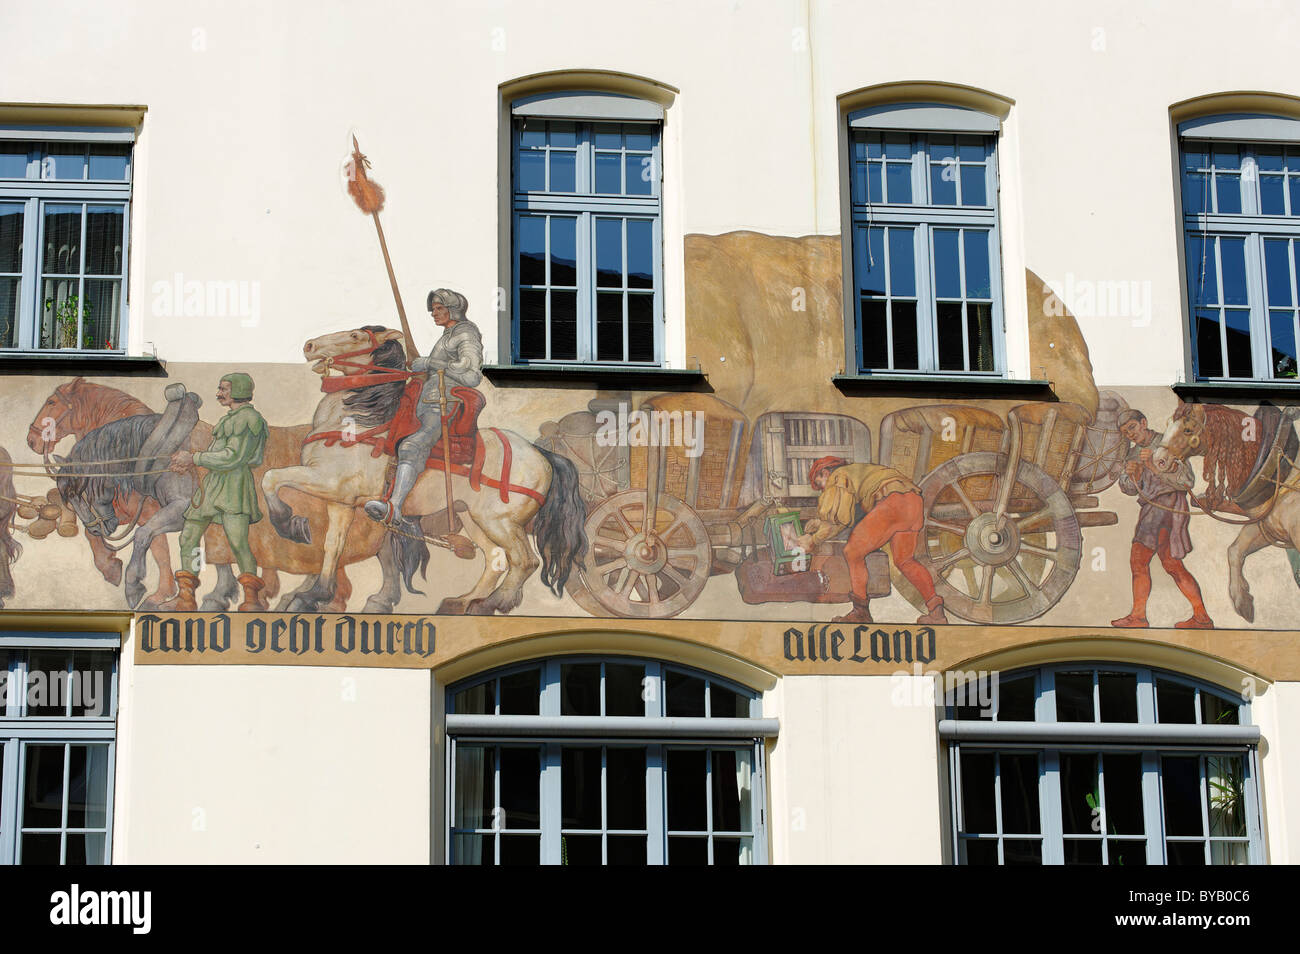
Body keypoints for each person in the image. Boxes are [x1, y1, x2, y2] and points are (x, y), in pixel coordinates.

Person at [364, 288, 484, 525]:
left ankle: (394, 508)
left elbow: (472, 375)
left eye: (439, 308)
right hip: (426, 402)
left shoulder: (466, 334)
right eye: (433, 309)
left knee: (411, 446)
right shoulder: (448, 334)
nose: (434, 313)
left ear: (453, 309)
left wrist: (430, 363)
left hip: (445, 404)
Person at [793, 456, 947, 625]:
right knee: (905, 560)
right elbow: (846, 513)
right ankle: (936, 611)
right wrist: (819, 523)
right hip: (913, 503)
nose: (822, 489)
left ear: (824, 472)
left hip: (892, 503)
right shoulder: (859, 471)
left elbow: (839, 520)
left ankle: (861, 612)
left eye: (819, 483)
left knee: (852, 552)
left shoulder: (838, 476)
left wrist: (813, 540)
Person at [168, 372, 270, 612]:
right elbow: (216, 455)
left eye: (223, 389)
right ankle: (186, 594)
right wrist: (186, 463)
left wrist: (193, 458)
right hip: (212, 484)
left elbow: (233, 457)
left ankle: (252, 599)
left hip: (234, 485)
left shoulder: (249, 419)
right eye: (220, 388)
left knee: (238, 542)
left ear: (238, 390)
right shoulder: (229, 418)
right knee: (188, 537)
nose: (219, 393)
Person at [1111, 407, 1213, 629]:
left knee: (1139, 559)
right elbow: (1129, 489)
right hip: (1151, 508)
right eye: (1125, 432)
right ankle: (1202, 617)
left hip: (1165, 506)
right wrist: (1133, 475)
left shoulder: (1167, 443)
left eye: (1132, 428)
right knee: (1172, 564)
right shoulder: (1132, 453)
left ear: (1143, 422)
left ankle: (1138, 616)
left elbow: (1186, 481)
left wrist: (1152, 466)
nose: (1130, 434)